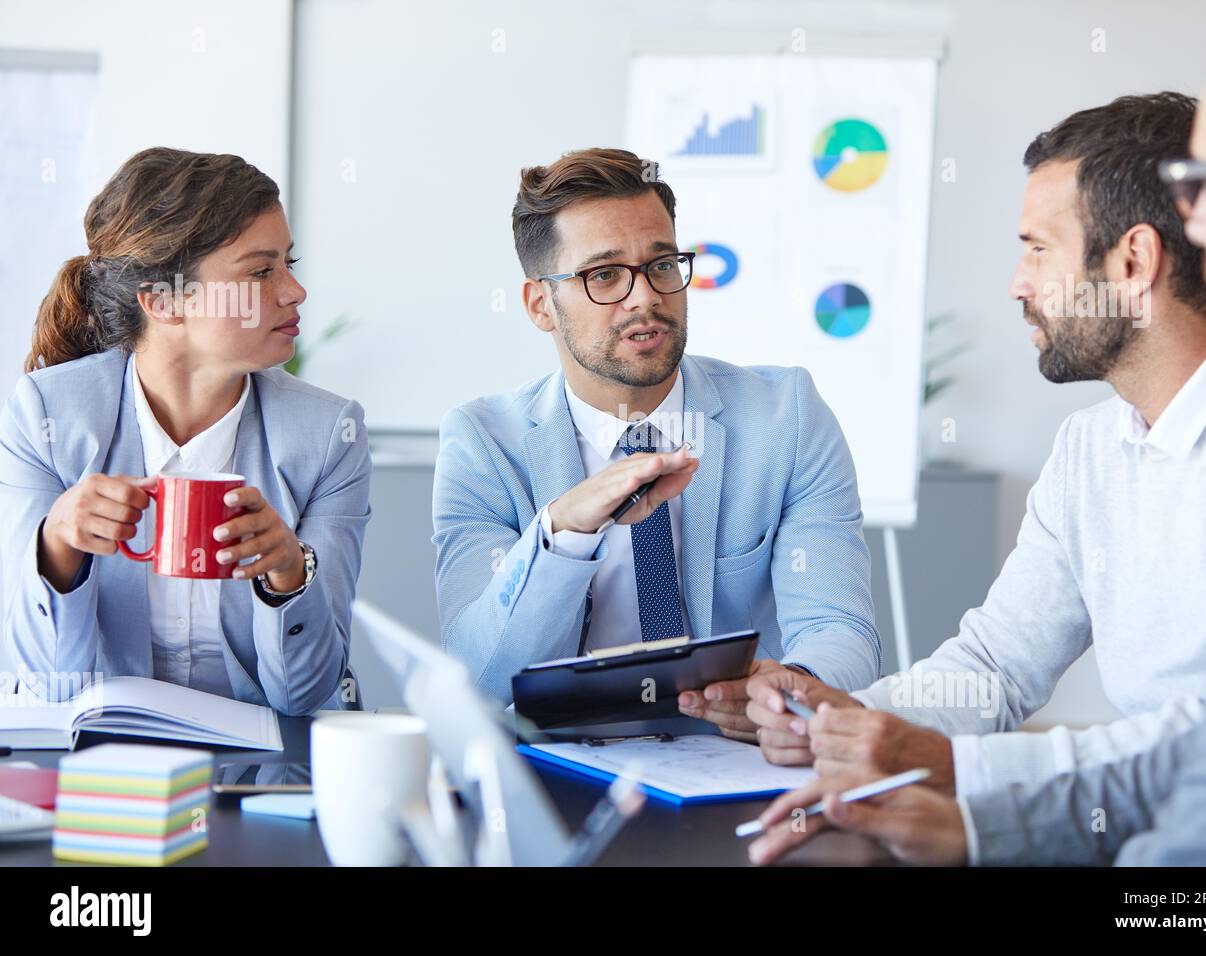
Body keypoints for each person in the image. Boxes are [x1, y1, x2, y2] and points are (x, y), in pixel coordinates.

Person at [749, 0, 1206, 866]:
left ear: (1132, 262)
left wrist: (967, 776)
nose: (1017, 283)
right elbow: (999, 664)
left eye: (1037, 249)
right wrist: (848, 717)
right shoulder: (1091, 449)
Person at [433, 148, 881, 719]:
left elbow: (840, 629)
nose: (645, 297)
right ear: (541, 304)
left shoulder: (785, 417)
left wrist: (791, 691)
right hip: (559, 765)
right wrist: (563, 532)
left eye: (662, 265)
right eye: (605, 275)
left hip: (741, 759)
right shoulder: (483, 445)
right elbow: (483, 677)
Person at [0, 147, 372, 716]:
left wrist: (288, 577)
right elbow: (50, 685)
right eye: (260, 271)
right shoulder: (48, 416)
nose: (295, 292)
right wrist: (57, 544)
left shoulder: (327, 434)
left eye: (288, 264)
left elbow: (309, 695)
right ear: (163, 301)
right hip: (109, 757)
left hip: (264, 766)